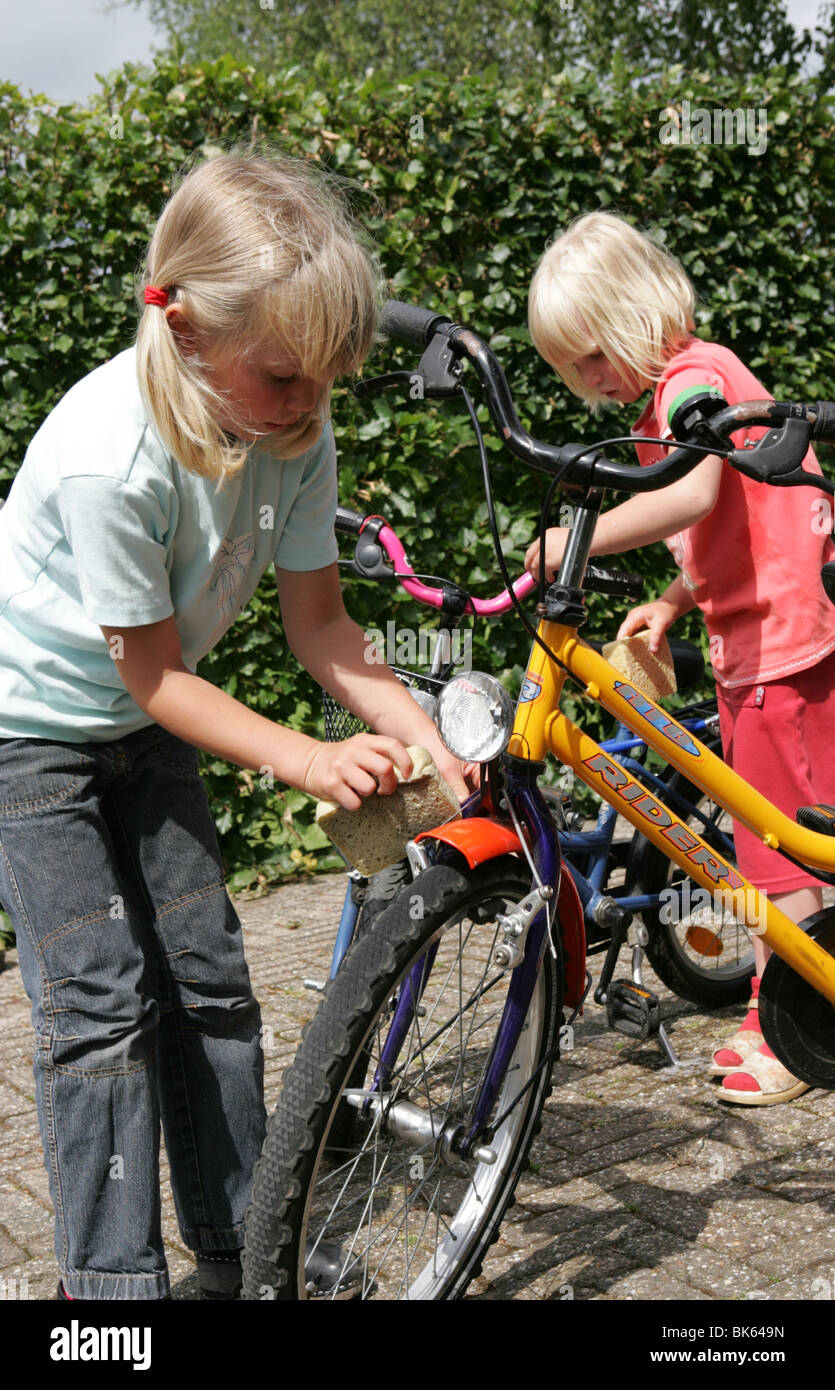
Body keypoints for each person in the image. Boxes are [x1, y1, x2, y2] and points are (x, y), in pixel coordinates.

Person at [0, 150, 469, 1300]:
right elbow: (157, 678)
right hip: (28, 731)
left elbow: (325, 626)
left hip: (140, 715)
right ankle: (106, 1295)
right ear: (185, 327)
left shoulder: (292, 436)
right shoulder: (113, 457)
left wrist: (429, 743)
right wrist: (310, 756)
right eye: (281, 376)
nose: (307, 404)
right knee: (100, 1004)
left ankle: (240, 1249)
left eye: (326, 379)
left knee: (211, 977)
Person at [524, 209, 835, 1105]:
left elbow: (696, 494)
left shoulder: (692, 382)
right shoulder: (689, 387)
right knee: (763, 832)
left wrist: (570, 545)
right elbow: (731, 524)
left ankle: (793, 1025)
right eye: (571, 368)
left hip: (782, 647)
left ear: (632, 313)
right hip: (761, 641)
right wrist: (665, 604)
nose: (587, 381)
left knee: (779, 846)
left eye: (589, 357)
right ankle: (773, 999)